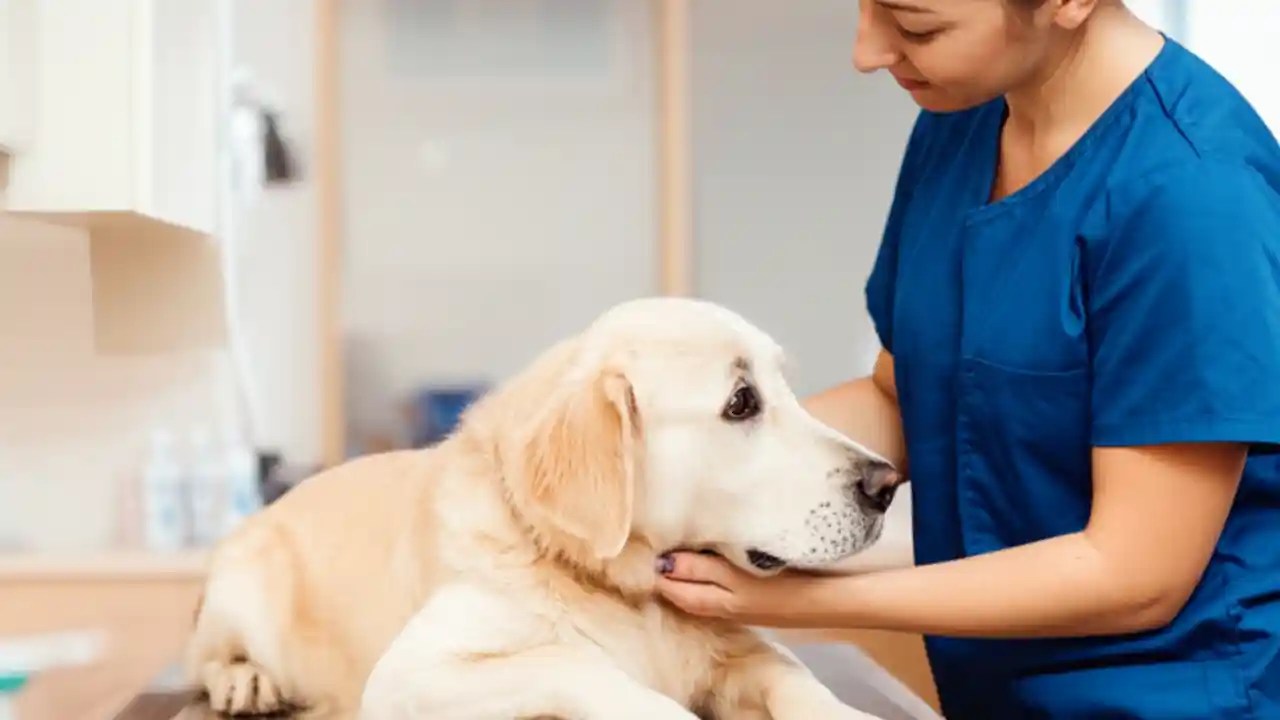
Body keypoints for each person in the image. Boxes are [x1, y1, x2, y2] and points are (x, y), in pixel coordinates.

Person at [654, 1, 1280, 717]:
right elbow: (902, 399)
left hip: (1178, 698)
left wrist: (798, 597)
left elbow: (1135, 571)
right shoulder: (962, 123)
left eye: (917, 27)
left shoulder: (1192, 196)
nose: (867, 51)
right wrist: (687, 467)